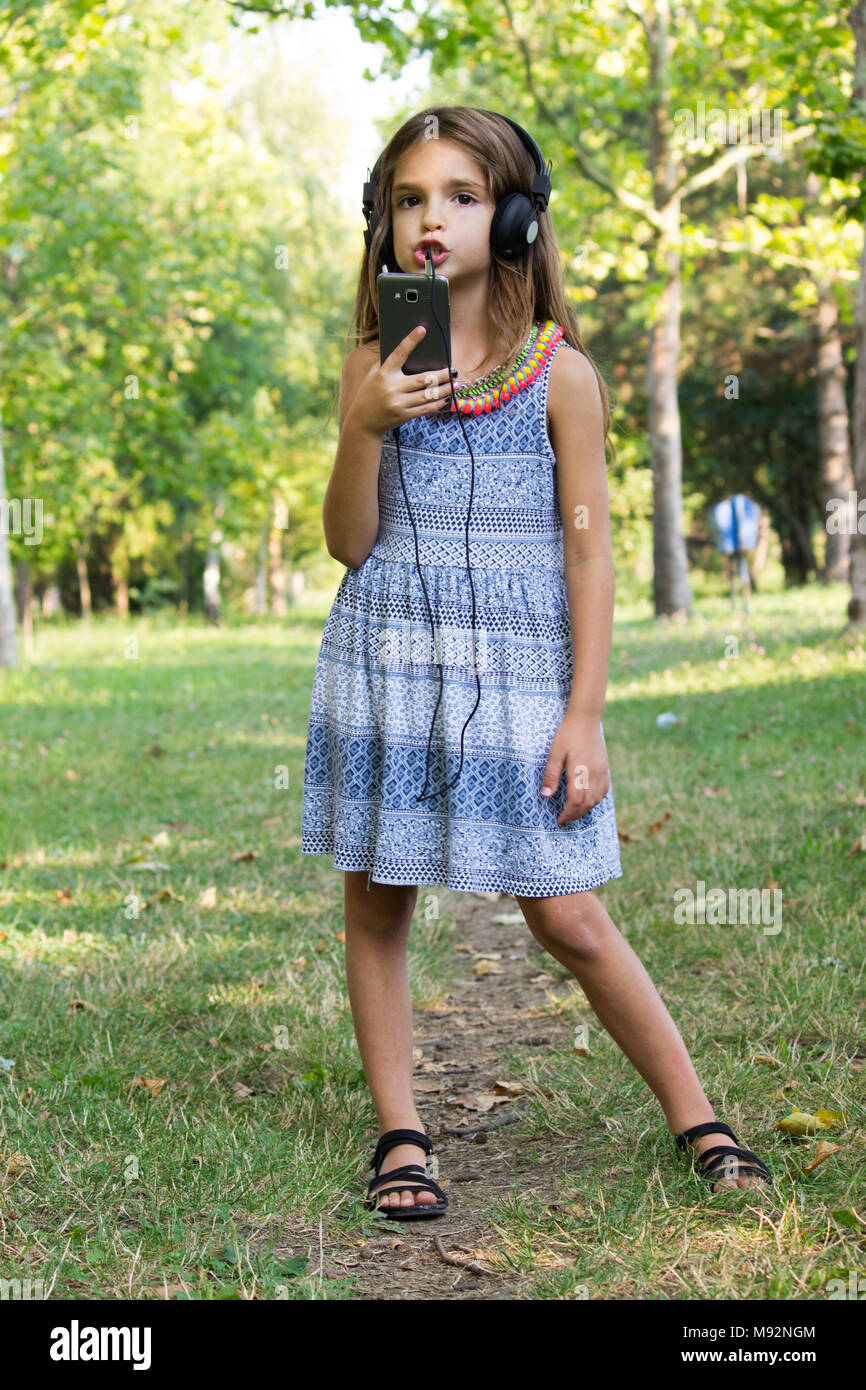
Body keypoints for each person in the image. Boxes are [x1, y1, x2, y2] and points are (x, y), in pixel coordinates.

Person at [301, 106, 773, 1218]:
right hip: (391, 657)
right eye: (408, 199)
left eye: (460, 197)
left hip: (520, 669)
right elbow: (347, 542)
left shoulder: (560, 374)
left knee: (562, 911)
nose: (430, 221)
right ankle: (400, 1132)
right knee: (378, 897)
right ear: (382, 222)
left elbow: (589, 554)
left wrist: (587, 711)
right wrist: (361, 426)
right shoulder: (372, 362)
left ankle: (696, 1115)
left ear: (510, 216)